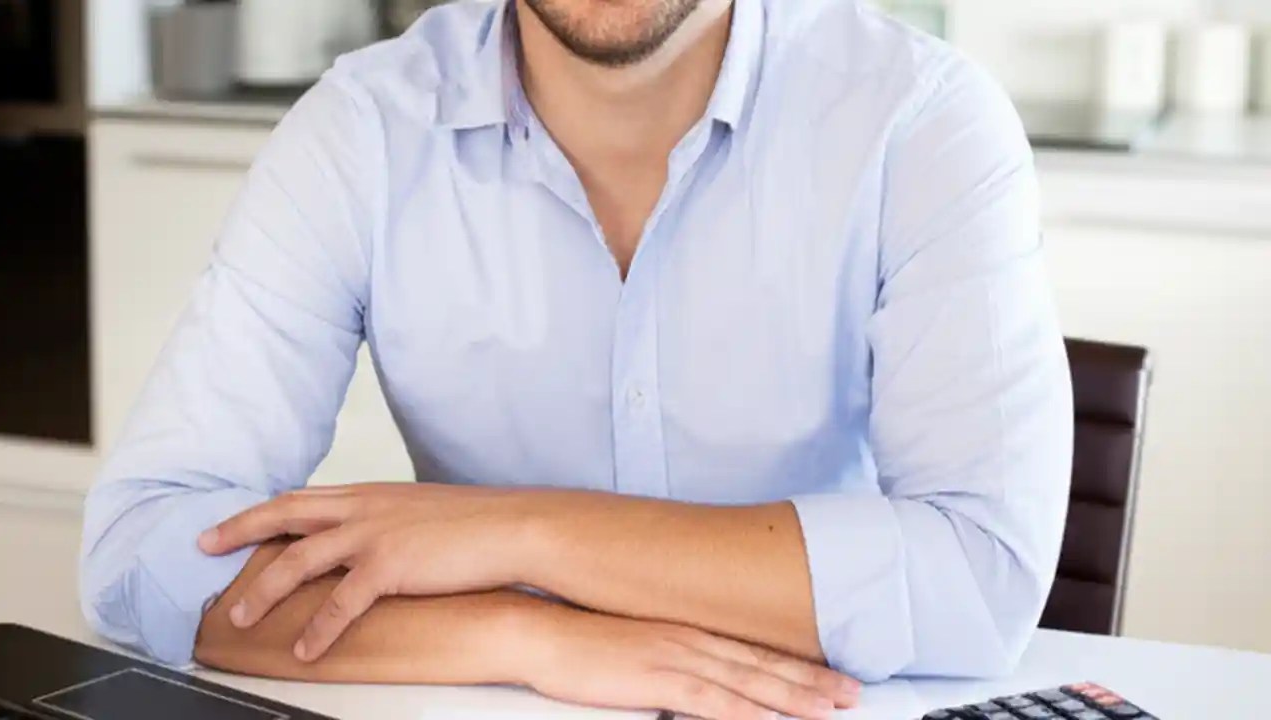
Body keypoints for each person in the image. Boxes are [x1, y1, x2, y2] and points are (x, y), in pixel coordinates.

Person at [80, 0, 1074, 717]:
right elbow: (145, 550)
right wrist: (526, 635)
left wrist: (520, 533)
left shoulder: (918, 120)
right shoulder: (363, 130)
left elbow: (975, 577)